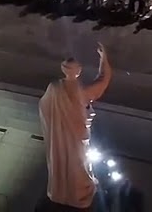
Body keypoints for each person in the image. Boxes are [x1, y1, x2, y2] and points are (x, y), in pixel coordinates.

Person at [38, 45, 113, 209]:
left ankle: (60, 191)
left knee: (60, 161)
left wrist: (56, 124)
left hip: (58, 136)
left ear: (63, 69)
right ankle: (78, 193)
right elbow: (103, 79)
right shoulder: (82, 92)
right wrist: (104, 59)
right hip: (77, 137)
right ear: (78, 71)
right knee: (78, 165)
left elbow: (44, 107)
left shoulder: (54, 88)